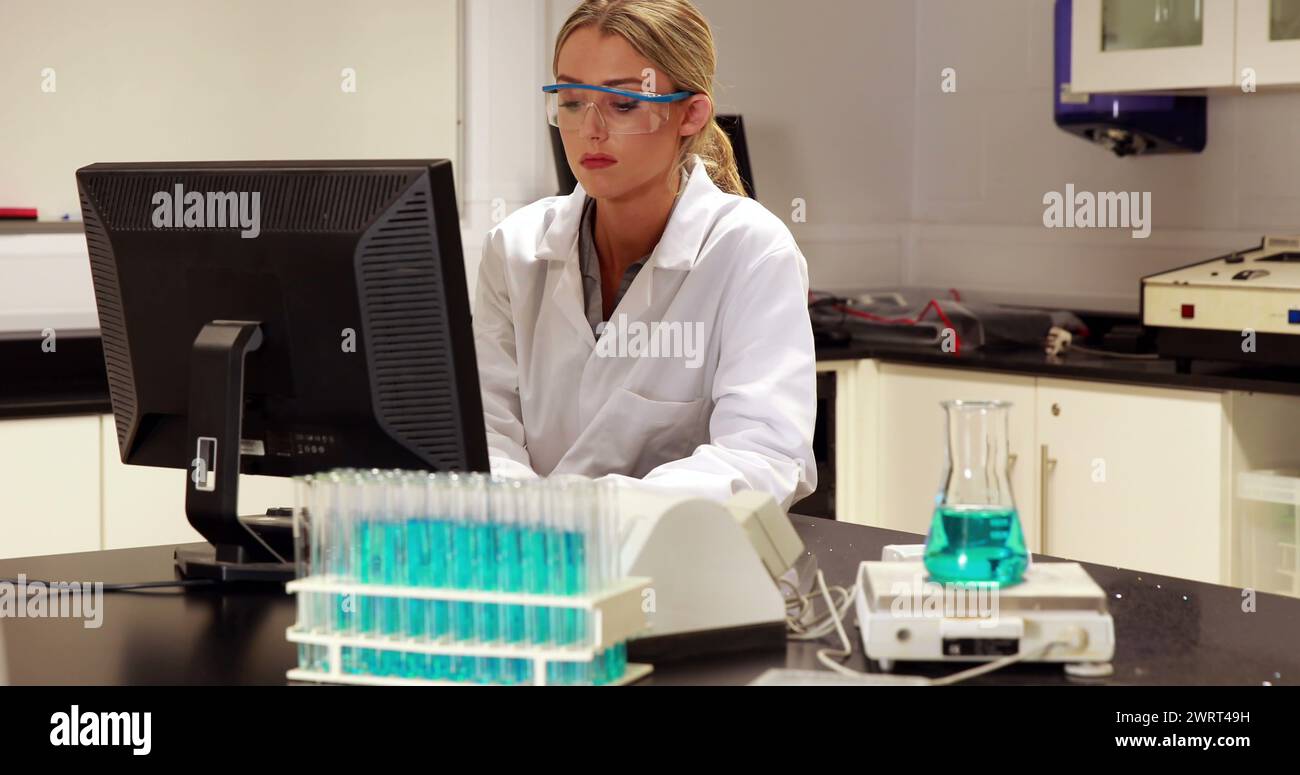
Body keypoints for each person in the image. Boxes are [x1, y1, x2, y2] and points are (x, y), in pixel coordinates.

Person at [473, 0, 817, 509]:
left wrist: (587, 514)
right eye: (571, 100)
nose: (591, 128)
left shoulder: (751, 252)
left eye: (624, 103)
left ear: (690, 114)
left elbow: (762, 456)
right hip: (534, 560)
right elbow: (484, 432)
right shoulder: (516, 247)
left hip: (677, 568)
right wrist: (535, 526)